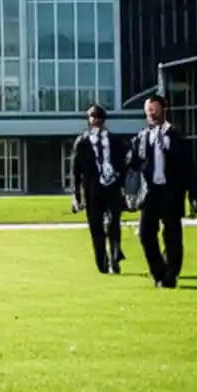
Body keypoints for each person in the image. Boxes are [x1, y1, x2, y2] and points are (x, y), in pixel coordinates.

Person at [128, 94, 197, 289]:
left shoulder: (177, 136)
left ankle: (171, 274)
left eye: (154, 109)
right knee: (145, 234)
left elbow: (190, 168)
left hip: (172, 191)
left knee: (172, 235)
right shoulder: (143, 137)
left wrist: (194, 195)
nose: (150, 114)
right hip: (151, 192)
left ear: (163, 110)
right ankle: (158, 271)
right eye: (147, 110)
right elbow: (133, 162)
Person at [71, 104, 127, 274]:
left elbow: (125, 163)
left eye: (98, 117)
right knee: (96, 227)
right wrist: (76, 196)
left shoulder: (114, 140)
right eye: (92, 117)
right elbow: (75, 171)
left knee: (113, 223)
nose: (95, 120)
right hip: (92, 190)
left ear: (103, 120)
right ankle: (102, 262)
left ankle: (115, 255)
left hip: (112, 187)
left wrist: (120, 179)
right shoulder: (82, 142)